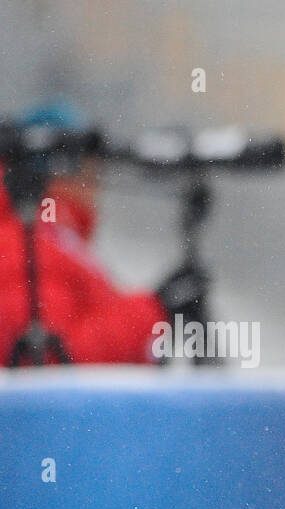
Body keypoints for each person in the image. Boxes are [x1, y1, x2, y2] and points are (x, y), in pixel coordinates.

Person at [0, 103, 169, 366]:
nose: (97, 185)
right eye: (88, 171)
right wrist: (151, 315)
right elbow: (42, 366)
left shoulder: (51, 240)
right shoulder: (27, 243)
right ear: (55, 173)